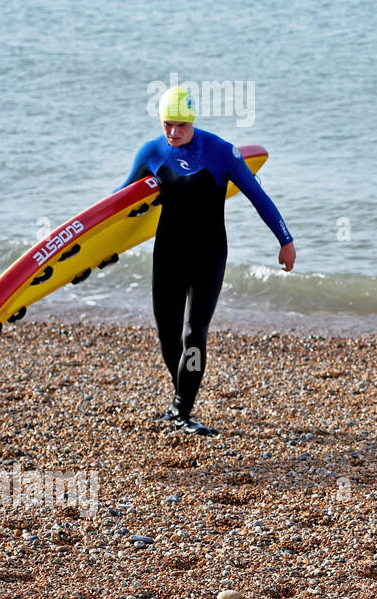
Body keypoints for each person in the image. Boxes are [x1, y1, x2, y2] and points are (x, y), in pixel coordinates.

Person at [119, 86, 297, 435]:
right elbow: (120, 203)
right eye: (168, 124)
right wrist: (90, 249)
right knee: (167, 334)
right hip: (167, 254)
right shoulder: (151, 152)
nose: (173, 132)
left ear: (192, 121)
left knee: (194, 331)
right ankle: (180, 399)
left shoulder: (220, 152)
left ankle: (183, 410)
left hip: (208, 254)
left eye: (181, 126)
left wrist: (285, 240)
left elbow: (257, 195)